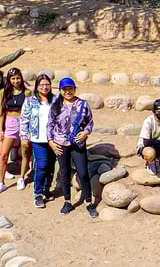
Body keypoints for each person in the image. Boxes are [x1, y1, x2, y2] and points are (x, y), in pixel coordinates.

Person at [48, 77, 97, 216]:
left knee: (83, 173)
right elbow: (50, 125)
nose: (68, 91)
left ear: (75, 89)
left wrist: (86, 132)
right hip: (60, 144)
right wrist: (51, 142)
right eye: (65, 89)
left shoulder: (82, 104)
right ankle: (67, 202)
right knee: (64, 173)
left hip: (77, 142)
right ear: (61, 91)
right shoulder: (56, 105)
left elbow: (90, 122)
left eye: (70, 88)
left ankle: (89, 202)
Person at [20, 74, 55, 208]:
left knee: (51, 166)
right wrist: (24, 136)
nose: (44, 87)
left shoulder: (56, 100)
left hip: (53, 139)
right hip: (37, 139)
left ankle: (47, 189)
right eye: (41, 85)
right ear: (37, 87)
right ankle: (38, 194)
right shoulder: (30, 101)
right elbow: (24, 119)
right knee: (41, 165)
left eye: (47, 84)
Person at [0, 68, 27, 195]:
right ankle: (1, 182)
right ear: (9, 79)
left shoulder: (26, 92)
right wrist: (1, 130)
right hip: (10, 123)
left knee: (25, 151)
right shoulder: (4, 92)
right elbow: (1, 112)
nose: (16, 81)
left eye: (18, 78)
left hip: (23, 122)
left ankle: (22, 177)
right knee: (3, 155)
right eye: (13, 78)